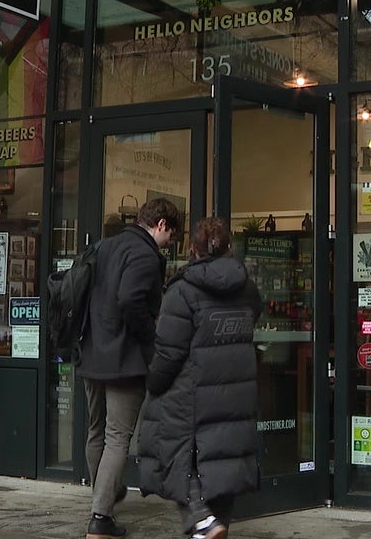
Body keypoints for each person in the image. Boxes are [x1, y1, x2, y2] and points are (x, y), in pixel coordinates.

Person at [139, 217, 262, 539]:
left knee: (175, 452)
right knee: (224, 461)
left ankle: (201, 518)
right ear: (229, 248)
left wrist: (152, 384)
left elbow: (168, 352)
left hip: (190, 393)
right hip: (236, 390)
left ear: (192, 249)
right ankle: (211, 525)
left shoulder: (182, 291)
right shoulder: (247, 288)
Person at [78, 196, 182, 539]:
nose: (169, 243)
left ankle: (103, 492)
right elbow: (129, 300)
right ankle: (100, 516)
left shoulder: (106, 246)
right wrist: (150, 337)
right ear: (162, 224)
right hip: (123, 358)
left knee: (96, 430)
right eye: (171, 235)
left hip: (92, 352)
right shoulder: (145, 255)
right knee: (117, 437)